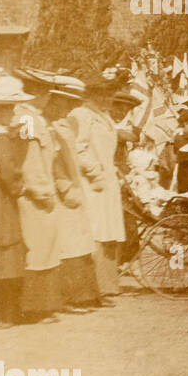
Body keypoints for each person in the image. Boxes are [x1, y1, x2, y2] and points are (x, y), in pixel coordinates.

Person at [46, 76, 104, 309]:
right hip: (63, 193)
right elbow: (56, 163)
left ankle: (85, 294)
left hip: (74, 186)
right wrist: (65, 187)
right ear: (54, 100)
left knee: (80, 242)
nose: (68, 107)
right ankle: (71, 297)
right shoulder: (50, 128)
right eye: (64, 102)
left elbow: (73, 155)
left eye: (71, 103)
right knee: (68, 245)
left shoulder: (64, 125)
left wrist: (88, 174)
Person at [14, 69, 66, 321]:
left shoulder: (35, 118)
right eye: (45, 92)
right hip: (34, 196)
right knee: (36, 251)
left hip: (42, 191)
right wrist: (42, 192)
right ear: (35, 93)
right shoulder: (26, 119)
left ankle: (42, 306)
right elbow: (29, 161)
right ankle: (33, 308)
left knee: (46, 249)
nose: (48, 97)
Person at [71, 73, 127, 300]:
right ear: (91, 94)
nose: (107, 99)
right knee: (96, 230)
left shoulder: (104, 117)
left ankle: (107, 285)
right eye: (103, 94)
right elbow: (79, 149)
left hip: (107, 182)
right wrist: (95, 172)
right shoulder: (81, 115)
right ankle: (92, 287)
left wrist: (113, 170)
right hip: (92, 184)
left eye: (109, 94)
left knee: (108, 231)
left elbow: (107, 150)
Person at [0, 74, 32, 326]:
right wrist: (20, 186)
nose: (13, 115)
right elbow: (9, 173)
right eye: (11, 110)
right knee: (2, 253)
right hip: (0, 202)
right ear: (1, 111)